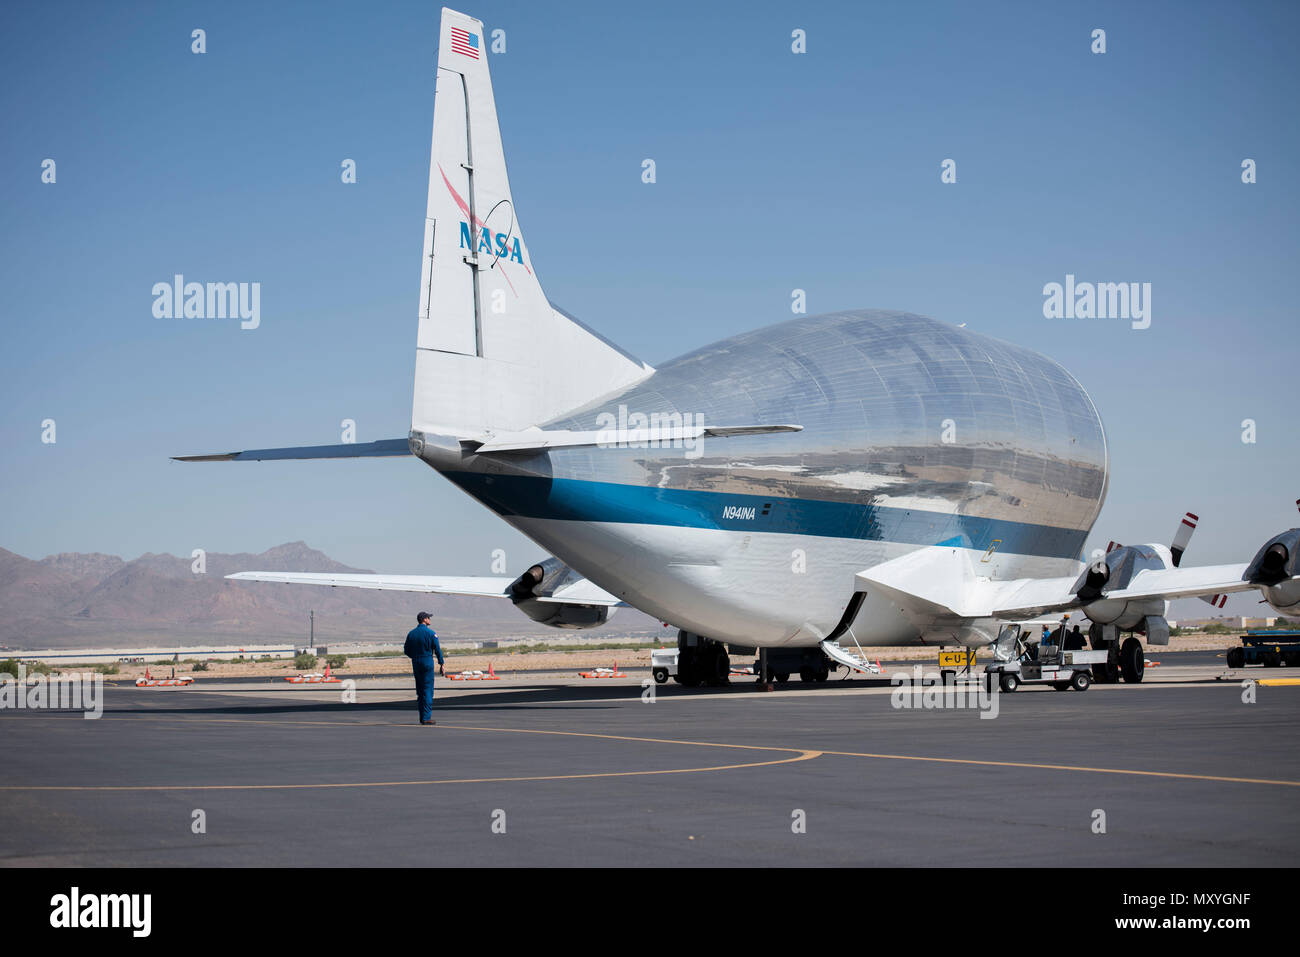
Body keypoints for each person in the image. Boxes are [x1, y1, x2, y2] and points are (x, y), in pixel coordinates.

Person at [404, 612, 445, 725]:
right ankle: (426, 717)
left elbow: (406, 650)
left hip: (416, 662)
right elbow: (437, 650)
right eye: (428, 618)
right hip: (427, 661)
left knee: (420, 690)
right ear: (424, 619)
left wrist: (415, 656)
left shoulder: (411, 634)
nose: (430, 620)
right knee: (427, 690)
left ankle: (422, 716)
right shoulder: (431, 633)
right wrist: (441, 663)